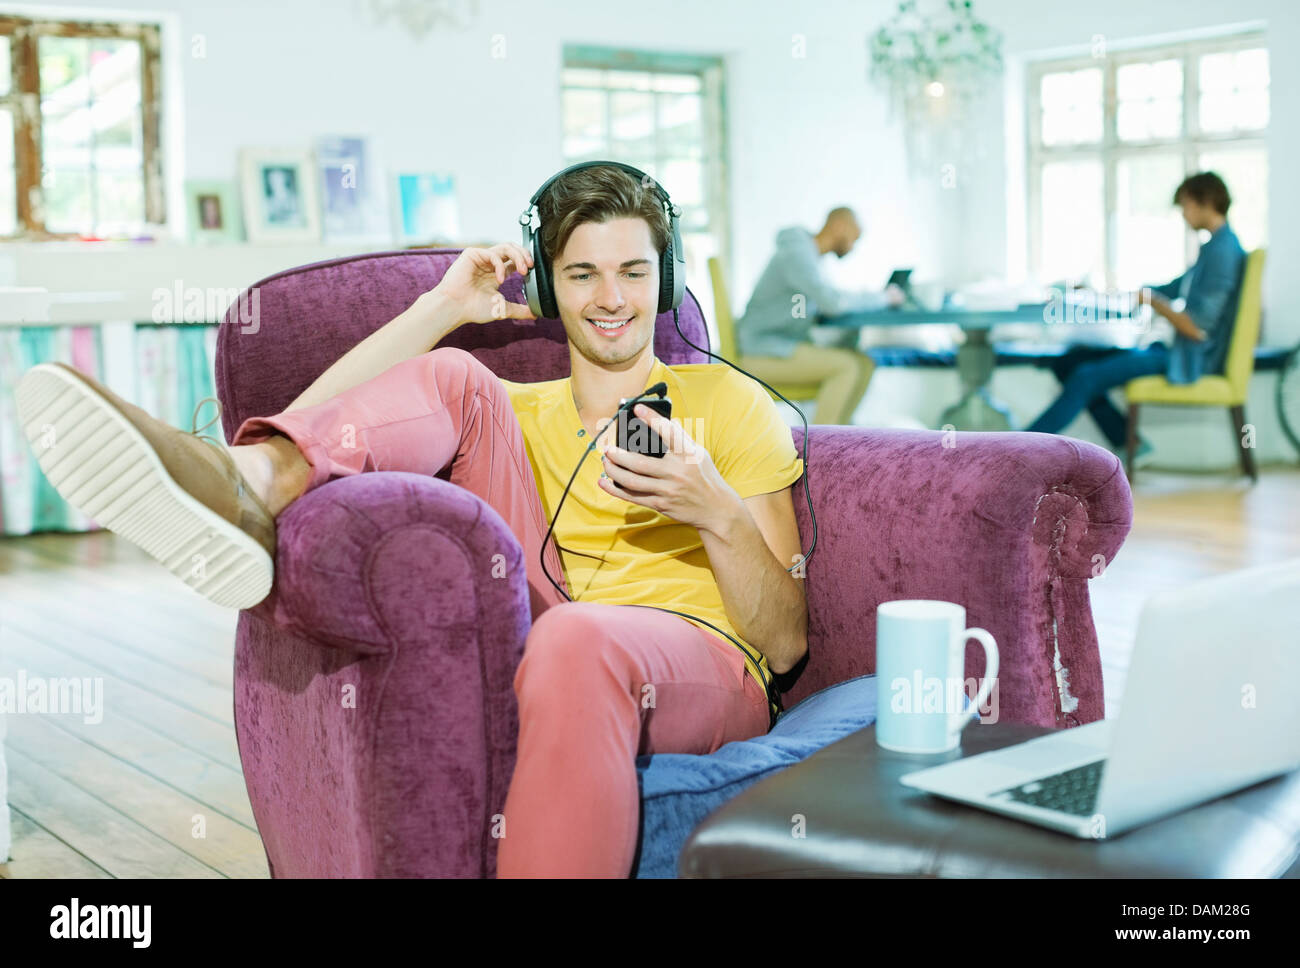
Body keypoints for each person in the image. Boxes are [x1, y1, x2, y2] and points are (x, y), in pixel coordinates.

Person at [17, 164, 808, 878]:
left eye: (634, 272)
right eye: (583, 274)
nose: (611, 298)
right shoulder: (517, 408)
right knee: (459, 377)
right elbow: (313, 417)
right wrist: (442, 308)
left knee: (579, 638)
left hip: (701, 659)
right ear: (548, 292)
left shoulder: (728, 403)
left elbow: (784, 641)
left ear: (664, 280)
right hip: (554, 615)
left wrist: (715, 509)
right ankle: (246, 481)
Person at [1027, 172, 1247, 452]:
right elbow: (1173, 288)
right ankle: (1128, 442)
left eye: (1185, 206)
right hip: (1171, 349)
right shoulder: (1213, 247)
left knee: (1086, 376)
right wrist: (1126, 293)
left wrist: (1153, 301)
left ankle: (1019, 449)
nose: (1183, 214)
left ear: (1204, 202)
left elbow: (1197, 328)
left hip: (1187, 357)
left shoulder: (1223, 251)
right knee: (1068, 362)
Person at [733, 207, 904, 425]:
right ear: (840, 225)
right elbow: (833, 302)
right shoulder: (797, 253)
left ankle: (842, 439)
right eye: (854, 238)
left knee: (864, 363)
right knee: (846, 366)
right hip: (760, 352)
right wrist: (883, 298)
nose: (853, 246)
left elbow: (828, 300)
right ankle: (821, 451)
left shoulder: (811, 257)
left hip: (779, 346)